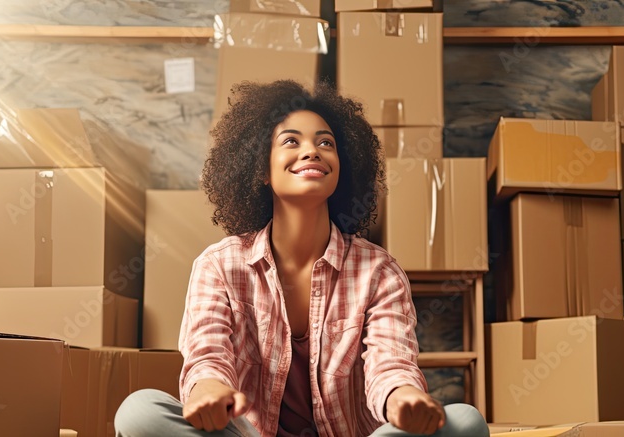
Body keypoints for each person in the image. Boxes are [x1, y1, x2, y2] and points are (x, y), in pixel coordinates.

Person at [115, 80, 488, 437]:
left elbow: (390, 364)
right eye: (291, 141)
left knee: (466, 422)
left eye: (326, 143)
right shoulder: (219, 265)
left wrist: (402, 398)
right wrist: (209, 391)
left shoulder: (378, 271)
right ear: (260, 169)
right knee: (139, 413)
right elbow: (207, 355)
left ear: (342, 168)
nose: (312, 151)